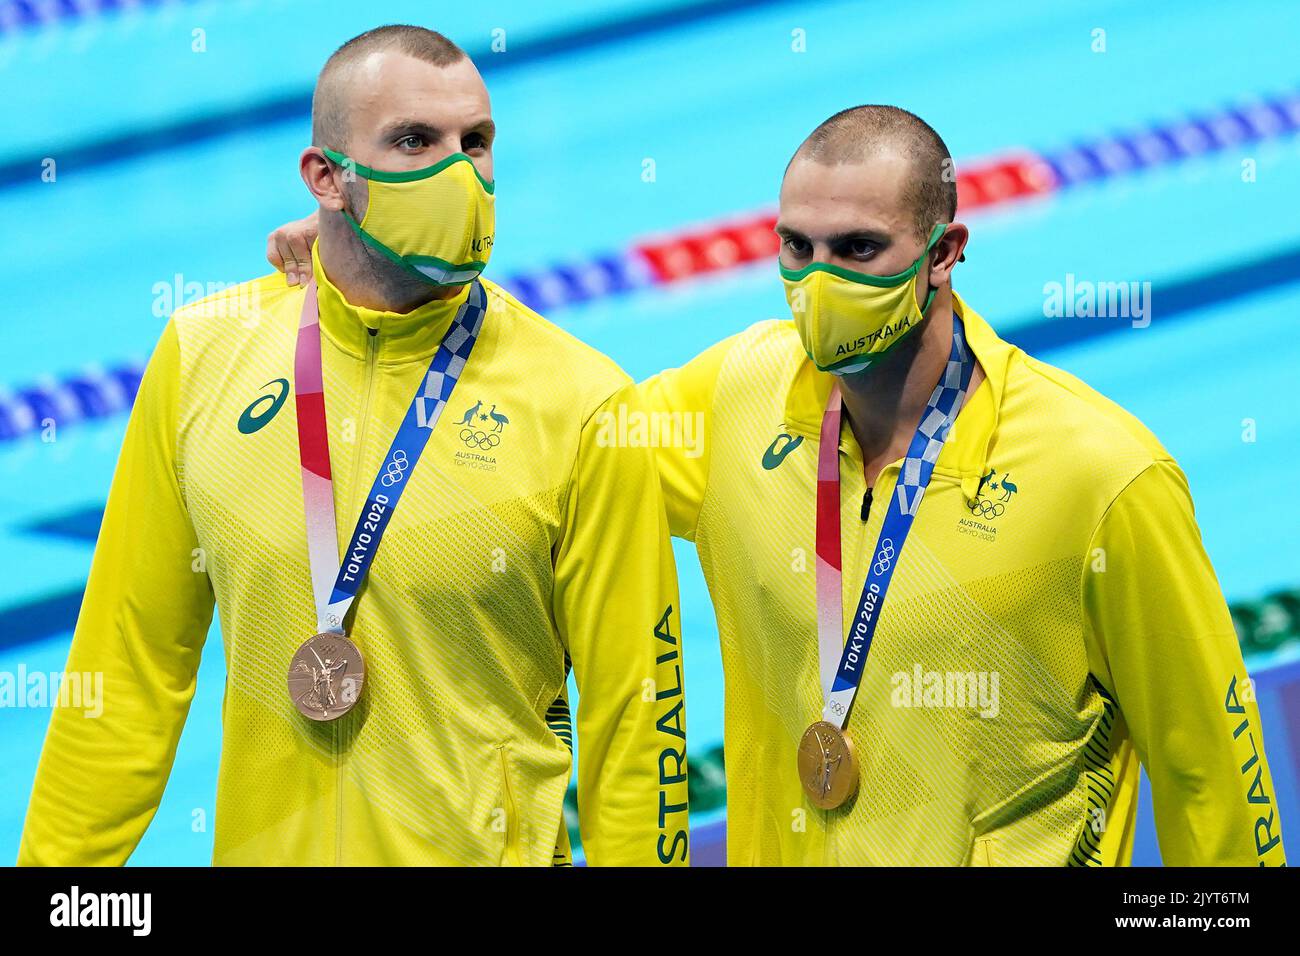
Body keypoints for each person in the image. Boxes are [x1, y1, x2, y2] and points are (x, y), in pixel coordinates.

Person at [266, 106, 1285, 866]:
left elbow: (1215, 788)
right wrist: (374, 283)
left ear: (945, 256)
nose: (818, 278)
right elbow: (543, 435)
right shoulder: (736, 396)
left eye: (858, 250)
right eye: (795, 248)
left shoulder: (1100, 475)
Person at [19, 25, 689, 867]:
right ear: (326, 179)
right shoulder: (203, 355)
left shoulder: (581, 402)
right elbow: (127, 669)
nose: (460, 172)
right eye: (415, 142)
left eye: (474, 143)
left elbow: (641, 718)